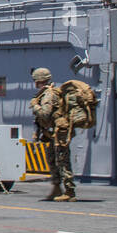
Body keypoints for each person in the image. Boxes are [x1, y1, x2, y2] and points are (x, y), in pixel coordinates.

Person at [30, 67, 75, 201]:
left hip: (58, 133)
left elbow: (45, 113)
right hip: (50, 134)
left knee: (62, 160)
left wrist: (35, 105)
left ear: (39, 80)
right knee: (52, 160)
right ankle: (56, 188)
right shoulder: (46, 93)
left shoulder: (48, 94)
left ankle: (70, 191)